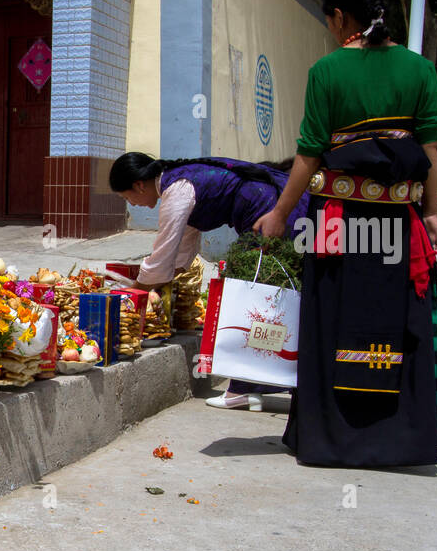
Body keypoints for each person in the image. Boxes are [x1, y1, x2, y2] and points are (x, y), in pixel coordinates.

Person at [252, 0, 437, 468]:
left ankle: (329, 437)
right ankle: (398, 440)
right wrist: (430, 215)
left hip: (337, 222)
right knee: (394, 322)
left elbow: (309, 155)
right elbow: (431, 149)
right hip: (398, 224)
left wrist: (278, 213)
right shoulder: (419, 69)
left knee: (332, 318)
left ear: (341, 18)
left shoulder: (328, 70)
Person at [109, 152, 310, 410]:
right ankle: (271, 381)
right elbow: (180, 253)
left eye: (127, 198)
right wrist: (153, 282)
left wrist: (135, 290)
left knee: (252, 295)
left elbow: (162, 256)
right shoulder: (181, 183)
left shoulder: (176, 191)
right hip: (263, 206)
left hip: (264, 211)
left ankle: (246, 388)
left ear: (139, 185)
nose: (132, 205)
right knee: (269, 297)